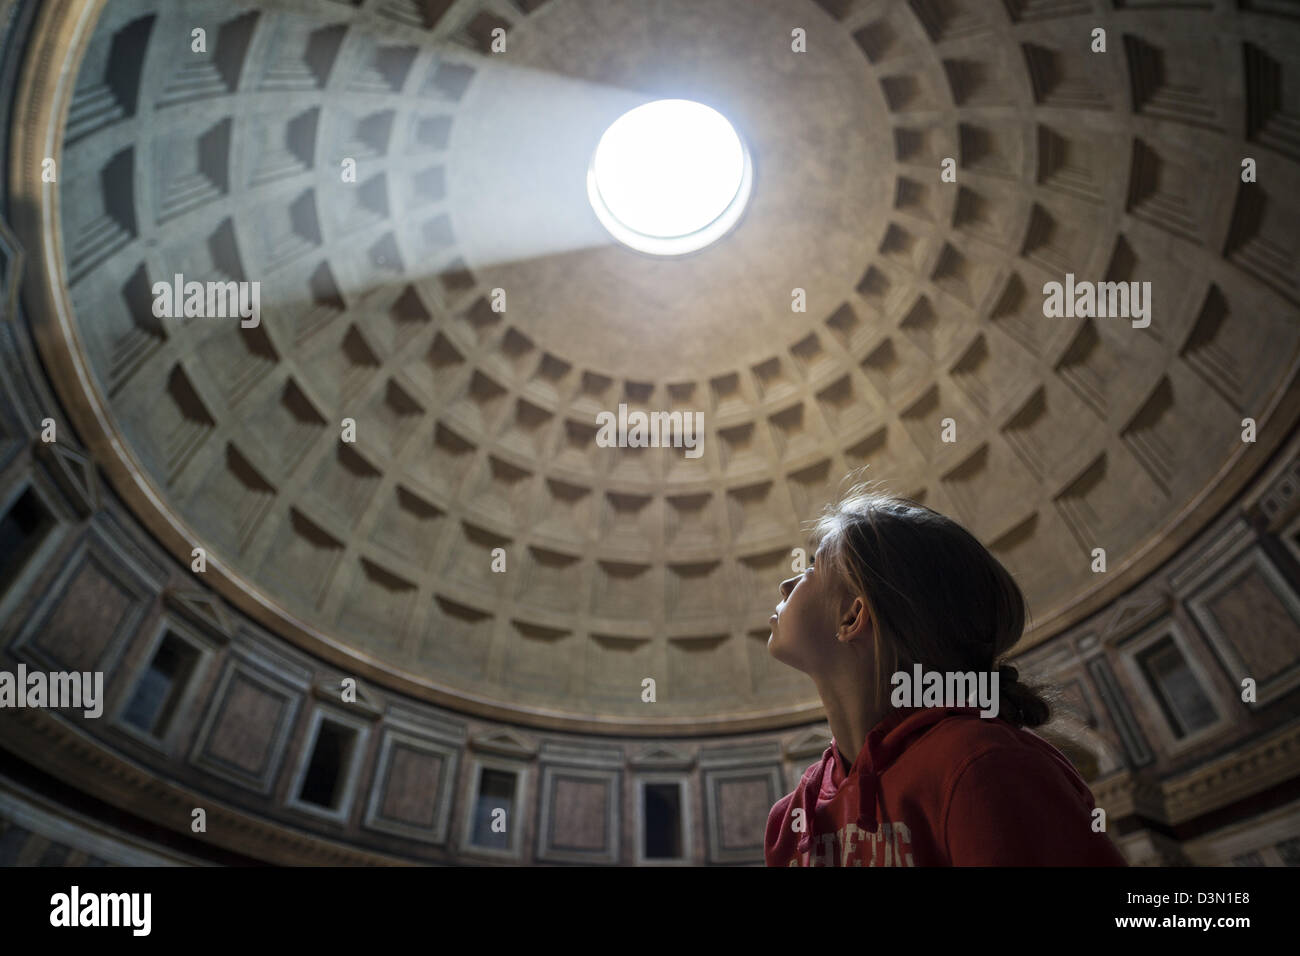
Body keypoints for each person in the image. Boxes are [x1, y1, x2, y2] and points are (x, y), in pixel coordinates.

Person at [764, 480, 1127, 866]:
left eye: (811, 569)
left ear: (852, 616)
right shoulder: (789, 822)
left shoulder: (982, 767)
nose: (786, 584)